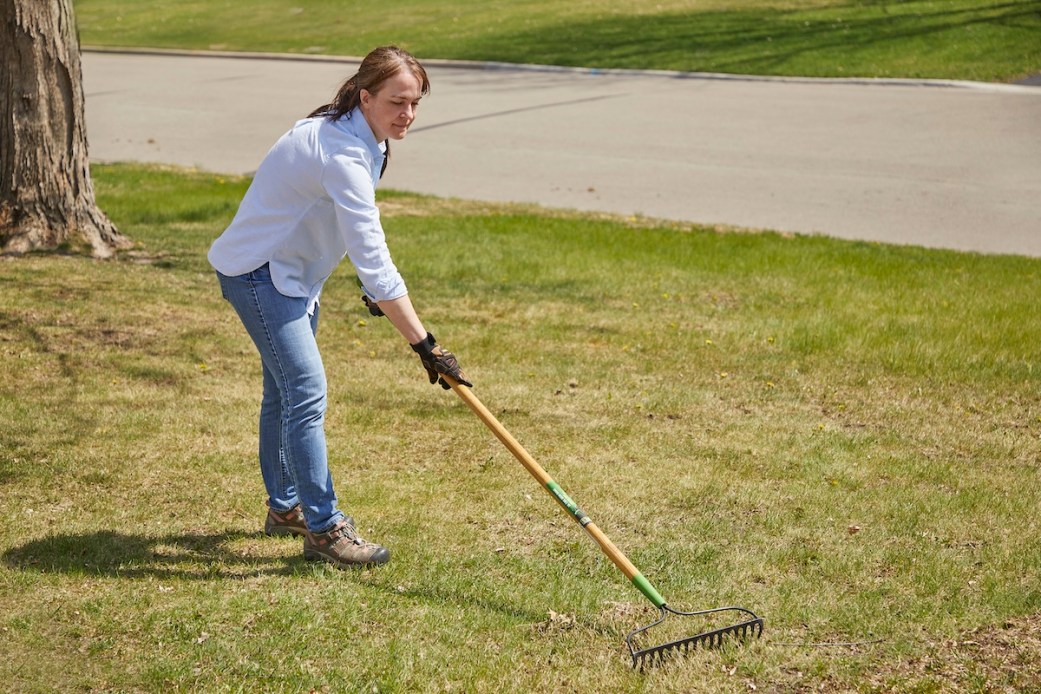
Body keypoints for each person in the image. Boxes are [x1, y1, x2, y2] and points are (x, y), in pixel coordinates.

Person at [208, 46, 471, 569]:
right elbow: (373, 254)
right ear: (365, 95)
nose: (408, 115)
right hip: (260, 274)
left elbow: (337, 226)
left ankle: (285, 509)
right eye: (398, 102)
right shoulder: (342, 151)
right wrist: (424, 343)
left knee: (283, 392)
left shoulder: (359, 135)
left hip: (292, 275)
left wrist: (376, 293)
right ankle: (324, 530)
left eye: (416, 103)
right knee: (304, 390)